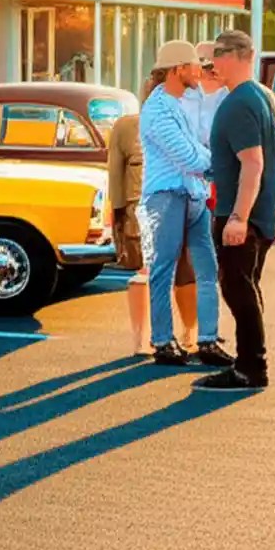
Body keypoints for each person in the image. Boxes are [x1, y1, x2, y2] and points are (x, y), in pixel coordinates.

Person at [197, 30, 275, 392]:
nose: (212, 64)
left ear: (235, 55)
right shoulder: (264, 96)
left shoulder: (237, 103)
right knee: (246, 288)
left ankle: (251, 368)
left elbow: (253, 162)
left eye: (216, 55)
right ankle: (249, 361)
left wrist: (238, 217)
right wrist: (273, 207)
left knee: (237, 289)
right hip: (261, 213)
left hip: (242, 216)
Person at [137, 41, 231, 367]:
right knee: (164, 269)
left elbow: (196, 147)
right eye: (196, 66)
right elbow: (189, 155)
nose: (201, 71)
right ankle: (162, 341)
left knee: (208, 270)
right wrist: (221, 166)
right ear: (179, 69)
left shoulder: (178, 104)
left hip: (194, 194)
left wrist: (209, 163)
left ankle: (207, 340)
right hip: (167, 197)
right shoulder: (157, 109)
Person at [108, 78, 198, 357]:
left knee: (183, 273)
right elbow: (115, 176)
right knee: (148, 273)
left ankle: (188, 334)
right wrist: (118, 218)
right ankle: (144, 338)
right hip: (144, 211)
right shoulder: (126, 127)